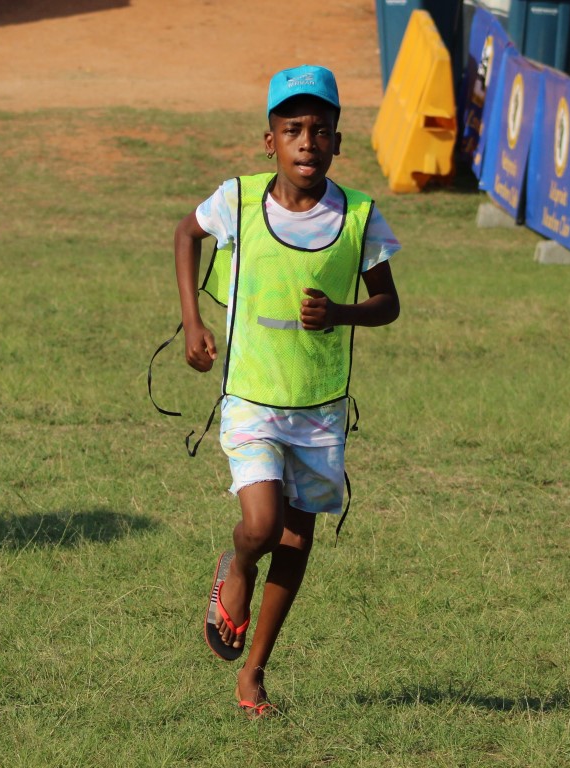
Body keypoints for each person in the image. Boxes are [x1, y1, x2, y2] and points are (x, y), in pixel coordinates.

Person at [172, 64, 401, 717]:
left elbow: (386, 304)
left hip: (320, 410)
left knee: (297, 541)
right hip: (250, 398)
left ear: (337, 142)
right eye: (292, 129)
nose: (307, 141)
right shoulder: (238, 200)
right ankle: (237, 567)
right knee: (262, 526)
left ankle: (254, 672)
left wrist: (340, 312)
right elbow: (185, 234)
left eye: (320, 130)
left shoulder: (358, 216)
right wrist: (192, 323)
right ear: (268, 140)